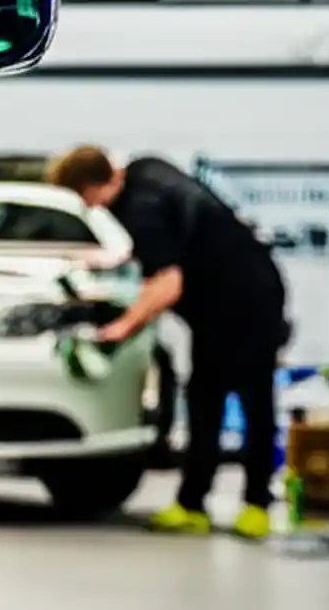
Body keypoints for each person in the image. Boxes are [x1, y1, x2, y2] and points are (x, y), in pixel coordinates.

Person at [46, 145, 288, 539]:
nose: (89, 209)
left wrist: (119, 331)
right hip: (235, 292)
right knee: (205, 398)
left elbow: (167, 284)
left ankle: (256, 505)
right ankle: (193, 505)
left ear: (91, 186)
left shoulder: (138, 208)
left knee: (252, 396)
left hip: (247, 300)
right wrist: (109, 263)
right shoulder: (146, 170)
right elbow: (168, 245)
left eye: (83, 200)